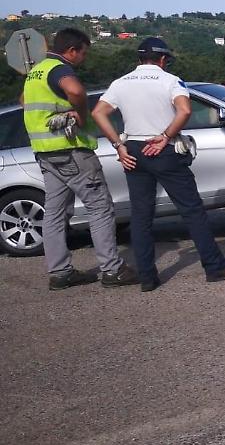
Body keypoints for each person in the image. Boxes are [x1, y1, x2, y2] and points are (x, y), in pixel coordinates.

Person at [91, 37, 225, 292]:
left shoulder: (120, 83)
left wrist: (118, 145)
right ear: (163, 59)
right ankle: (215, 267)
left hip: (133, 150)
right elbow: (184, 111)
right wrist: (165, 136)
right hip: (163, 149)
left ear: (139, 59)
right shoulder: (170, 81)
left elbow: (98, 112)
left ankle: (147, 278)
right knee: (192, 210)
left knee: (141, 216)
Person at [21, 28, 138, 290]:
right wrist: (81, 114)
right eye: (83, 53)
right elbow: (76, 91)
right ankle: (112, 270)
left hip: (46, 152)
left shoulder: (36, 72)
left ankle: (60, 272)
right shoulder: (59, 69)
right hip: (72, 149)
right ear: (71, 50)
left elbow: (22, 100)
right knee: (99, 208)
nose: (84, 58)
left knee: (54, 213)